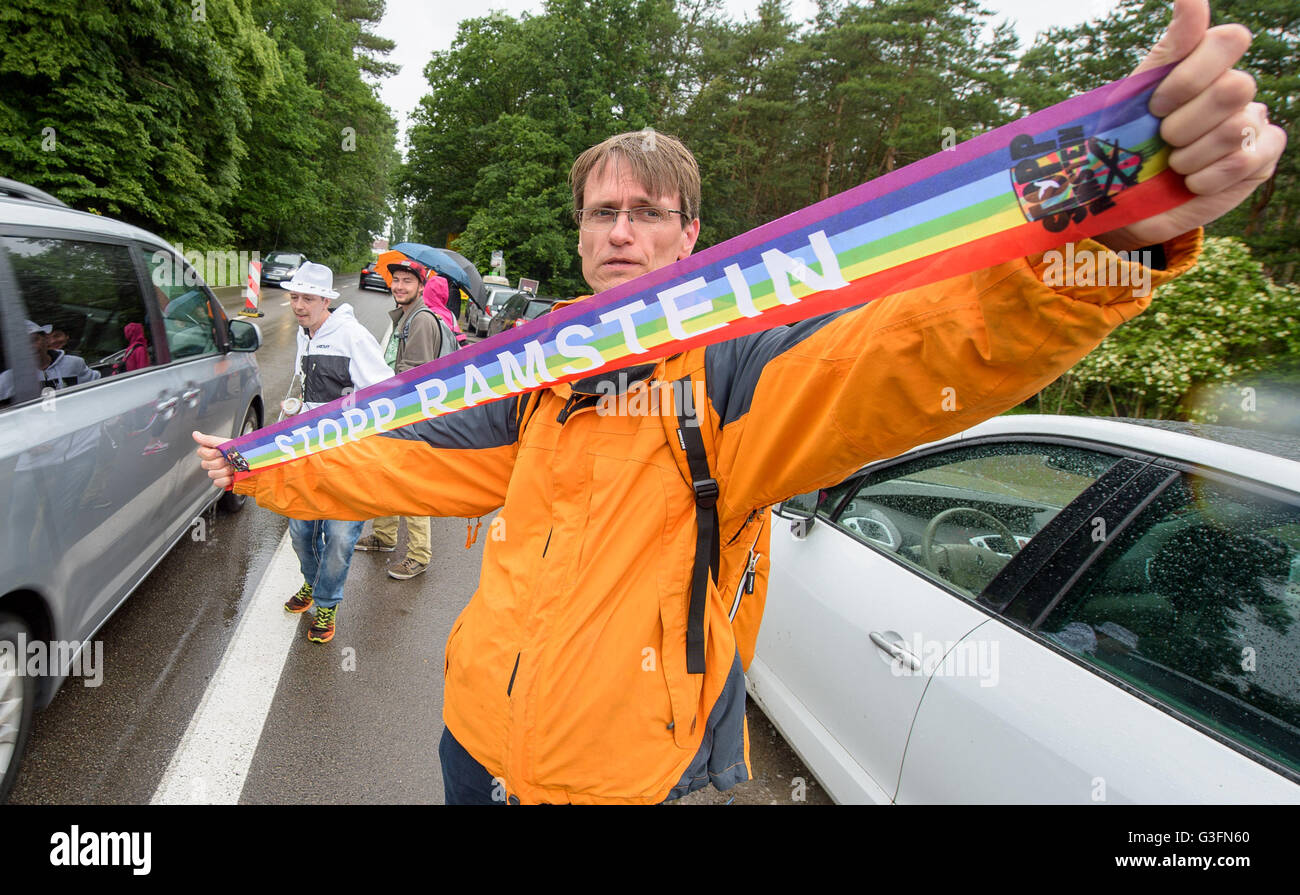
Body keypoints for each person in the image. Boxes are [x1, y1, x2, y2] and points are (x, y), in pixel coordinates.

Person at [195, 0, 1284, 802]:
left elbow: (916, 352)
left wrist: (1103, 235)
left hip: (622, 782)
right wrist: (258, 465)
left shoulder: (735, 376)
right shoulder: (534, 371)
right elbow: (401, 449)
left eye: (647, 212)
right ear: (577, 234)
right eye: (602, 212)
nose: (621, 230)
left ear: (688, 238)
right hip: (473, 744)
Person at [278, 261, 392, 642]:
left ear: (325, 299)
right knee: (300, 531)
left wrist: (349, 423)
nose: (298, 305)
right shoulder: (304, 333)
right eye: (294, 297)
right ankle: (312, 584)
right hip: (307, 453)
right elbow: (306, 387)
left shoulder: (352, 336)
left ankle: (326, 606)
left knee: (341, 538)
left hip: (349, 457)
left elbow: (385, 393)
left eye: (307, 298)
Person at [353, 256, 451, 579]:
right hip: (395, 412)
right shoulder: (406, 315)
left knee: (410, 484)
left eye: (407, 281)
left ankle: (419, 554)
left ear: (421, 286)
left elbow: (415, 378)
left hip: (410, 415)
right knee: (387, 475)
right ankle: (384, 536)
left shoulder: (421, 319)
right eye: (396, 280)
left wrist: (386, 400)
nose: (399, 286)